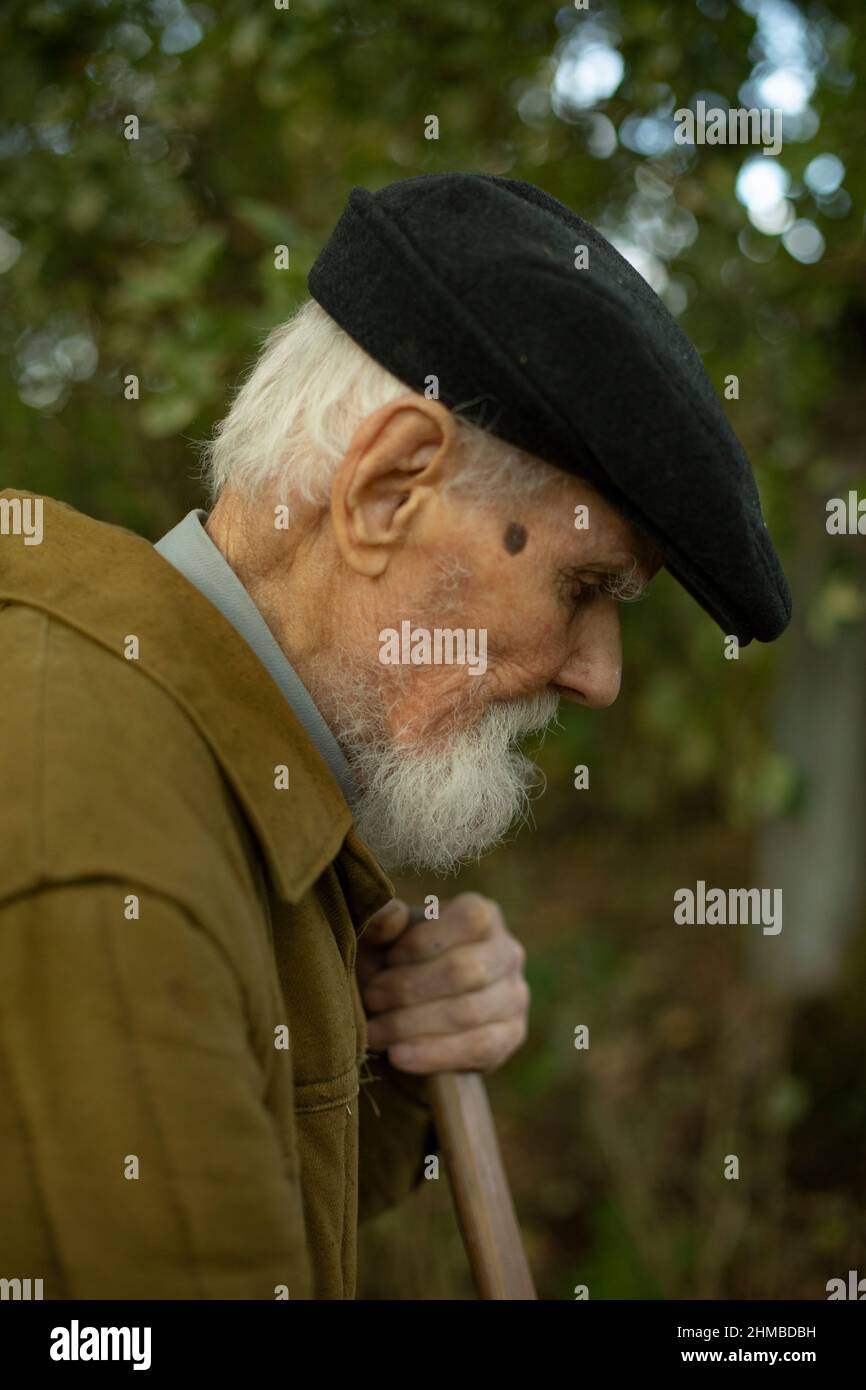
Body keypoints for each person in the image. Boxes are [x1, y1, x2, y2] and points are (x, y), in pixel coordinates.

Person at [0, 173, 790, 1299]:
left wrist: (387, 1062)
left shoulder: (221, 779)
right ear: (384, 489)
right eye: (582, 585)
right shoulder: (100, 818)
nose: (599, 676)